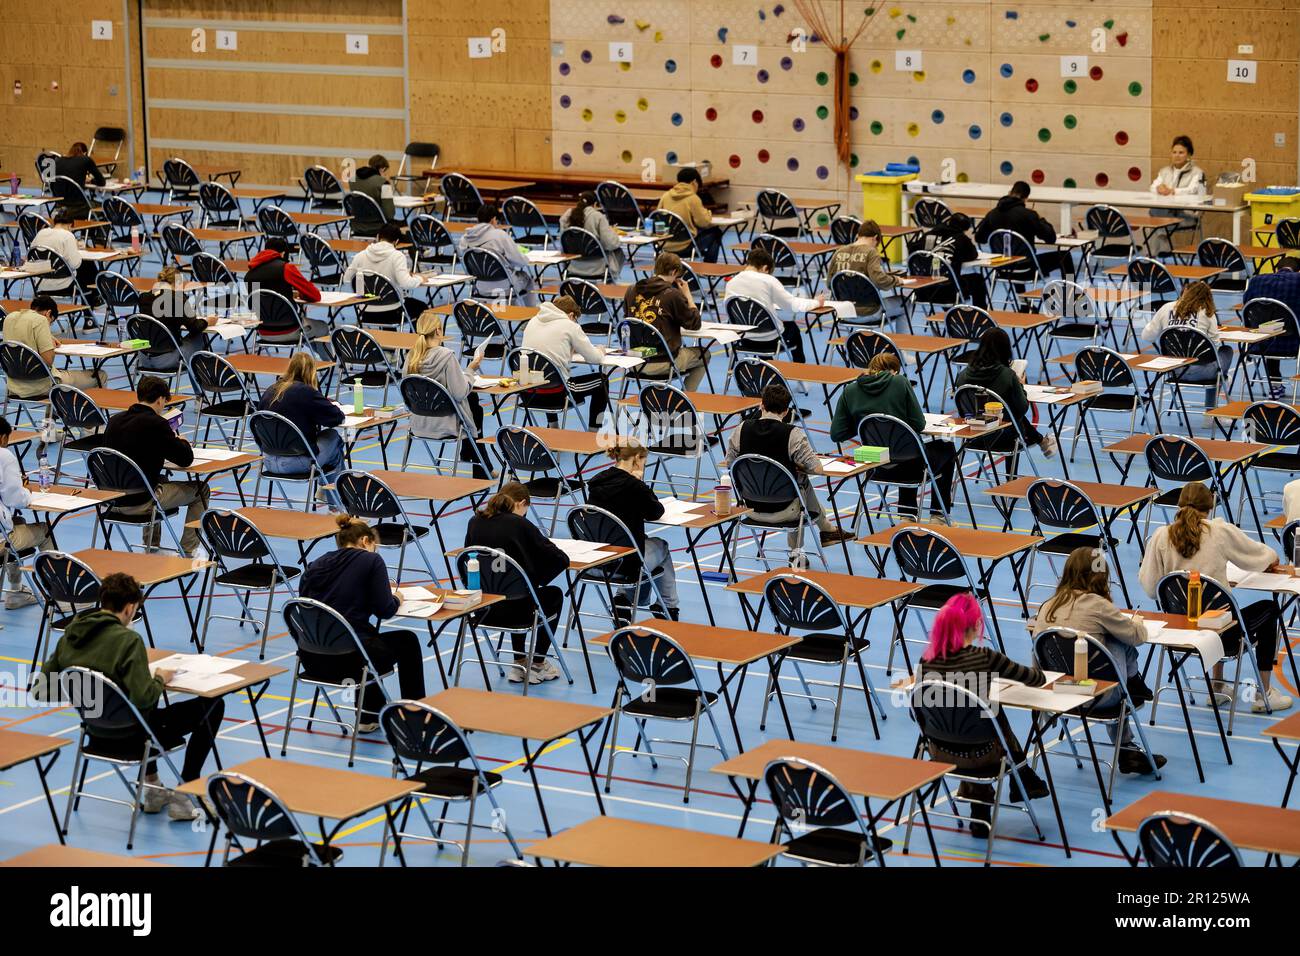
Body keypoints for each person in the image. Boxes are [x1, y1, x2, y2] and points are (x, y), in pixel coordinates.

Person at [38, 573, 221, 819]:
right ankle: (185, 792)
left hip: (94, 732)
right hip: (133, 737)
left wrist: (84, 687)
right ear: (129, 608)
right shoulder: (128, 640)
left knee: (142, 707)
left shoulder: (70, 636)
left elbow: (41, 690)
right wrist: (160, 679)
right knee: (213, 705)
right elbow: (144, 697)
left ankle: (153, 789)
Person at [1138, 481, 1293, 713]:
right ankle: (1265, 694)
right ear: (1210, 507)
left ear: (1179, 505)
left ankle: (1218, 686)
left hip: (1180, 629)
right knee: (1267, 610)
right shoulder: (1219, 531)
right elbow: (1261, 556)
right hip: (1222, 634)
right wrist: (1271, 559)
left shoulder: (1161, 536)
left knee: (1213, 605)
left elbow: (1151, 588)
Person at [916, 594, 1049, 838]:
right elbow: (1035, 679)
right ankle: (1020, 771)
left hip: (939, 752)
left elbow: (920, 716)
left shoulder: (926, 661)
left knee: (978, 716)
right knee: (990, 715)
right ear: (977, 624)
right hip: (982, 756)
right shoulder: (986, 657)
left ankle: (985, 804)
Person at [1032, 547, 1167, 775]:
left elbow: (1036, 654)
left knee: (1104, 641)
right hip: (1097, 695)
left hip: (1059, 692)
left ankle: (1132, 692)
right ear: (1100, 575)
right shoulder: (1098, 604)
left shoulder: (1048, 606)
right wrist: (1138, 624)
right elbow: (1137, 637)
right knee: (1118, 641)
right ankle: (1131, 698)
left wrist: (1040, 698)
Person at [297, 516, 426, 731]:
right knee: (405, 640)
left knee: (364, 638)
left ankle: (369, 716)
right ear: (366, 541)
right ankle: (416, 713)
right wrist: (397, 598)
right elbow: (385, 611)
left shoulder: (315, 565)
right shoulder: (371, 561)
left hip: (311, 659)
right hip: (351, 662)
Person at [725, 383, 853, 554]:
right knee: (800, 484)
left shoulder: (741, 430)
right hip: (786, 511)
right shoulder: (793, 434)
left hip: (749, 508)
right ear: (786, 412)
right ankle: (800, 551)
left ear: (761, 405)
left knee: (796, 482)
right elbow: (817, 469)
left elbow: (730, 464)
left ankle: (827, 530)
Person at [829, 353, 957, 519]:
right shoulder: (900, 382)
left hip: (875, 465)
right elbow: (919, 424)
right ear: (894, 372)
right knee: (945, 447)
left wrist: (865, 422)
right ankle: (938, 515)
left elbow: (837, 434)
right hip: (912, 466)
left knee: (903, 449)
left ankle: (907, 514)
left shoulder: (850, 390)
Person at [464, 483, 569, 683]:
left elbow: (469, 556)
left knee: (515, 588)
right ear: (521, 504)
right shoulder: (520, 524)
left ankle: (519, 661)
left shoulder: (474, 521)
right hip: (518, 609)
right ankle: (538, 663)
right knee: (551, 594)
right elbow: (560, 559)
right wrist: (537, 577)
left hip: (483, 606)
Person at [102, 375, 209, 556]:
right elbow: (185, 459)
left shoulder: (114, 421)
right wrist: (180, 441)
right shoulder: (156, 424)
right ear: (160, 400)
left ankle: (151, 545)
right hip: (141, 501)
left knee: (160, 479)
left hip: (111, 499)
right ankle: (188, 551)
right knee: (202, 490)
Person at [586, 439, 680, 623]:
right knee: (661, 546)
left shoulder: (596, 483)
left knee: (637, 545)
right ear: (637, 458)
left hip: (596, 562)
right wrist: (640, 482)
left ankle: (623, 600)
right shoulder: (633, 486)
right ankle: (668, 608)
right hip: (624, 566)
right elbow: (655, 512)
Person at [405, 309, 490, 479]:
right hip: (446, 425)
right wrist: (470, 370)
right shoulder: (446, 356)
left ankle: (477, 460)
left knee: (473, 402)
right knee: (473, 405)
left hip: (418, 423)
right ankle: (479, 464)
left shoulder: (411, 357)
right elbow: (459, 393)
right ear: (438, 330)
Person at [257, 352, 346, 512]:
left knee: (329, 450)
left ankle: (327, 491)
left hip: (268, 460)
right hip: (297, 464)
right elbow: (336, 418)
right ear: (311, 373)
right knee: (334, 439)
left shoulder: (270, 390)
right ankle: (335, 503)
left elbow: (257, 427)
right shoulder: (306, 392)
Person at [954, 328, 1058, 458]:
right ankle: (1041, 441)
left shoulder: (963, 375)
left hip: (972, 433)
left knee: (1003, 412)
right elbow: (1023, 408)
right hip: (1003, 436)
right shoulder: (1007, 375)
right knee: (1011, 414)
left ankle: (1041, 440)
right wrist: (1020, 385)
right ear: (1005, 350)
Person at [520, 294, 609, 429]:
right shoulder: (569, 325)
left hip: (527, 392)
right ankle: (593, 433)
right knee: (602, 381)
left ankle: (553, 425)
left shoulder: (533, 321)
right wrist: (601, 351)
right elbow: (595, 358)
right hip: (558, 394)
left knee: (544, 373)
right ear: (571, 315)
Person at [623, 251, 707, 390]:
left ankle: (660, 395)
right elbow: (695, 324)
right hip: (662, 361)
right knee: (704, 354)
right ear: (674, 271)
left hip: (634, 359)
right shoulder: (672, 295)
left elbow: (629, 320)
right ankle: (685, 400)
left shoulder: (631, 290)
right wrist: (687, 295)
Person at [1139, 280, 1231, 406]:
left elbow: (1146, 336)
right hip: (1203, 372)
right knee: (1226, 352)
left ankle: (1222, 380)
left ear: (1184, 292)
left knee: (1220, 370)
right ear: (1207, 298)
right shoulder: (1207, 312)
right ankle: (1211, 411)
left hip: (1173, 370)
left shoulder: (1166, 308)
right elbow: (1215, 346)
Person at [723, 247, 820, 363]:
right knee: (792, 328)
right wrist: (816, 302)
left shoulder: (731, 283)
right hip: (770, 340)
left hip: (744, 339)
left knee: (761, 325)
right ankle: (800, 367)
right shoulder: (768, 280)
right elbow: (792, 305)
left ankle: (768, 366)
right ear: (765, 268)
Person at [1, 295, 105, 399]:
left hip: (14, 387)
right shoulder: (41, 320)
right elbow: (48, 360)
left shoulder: (10, 318)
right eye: (50, 323)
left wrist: (47, 337)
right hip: (41, 386)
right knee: (101, 375)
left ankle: (55, 413)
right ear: (48, 313)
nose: (48, 326)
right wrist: (48, 341)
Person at [0, 416, 50, 609]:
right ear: (4, 438)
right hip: (2, 542)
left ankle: (16, 592)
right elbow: (15, 498)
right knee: (45, 530)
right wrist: (27, 494)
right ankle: (59, 594)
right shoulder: (4, 456)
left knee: (17, 520)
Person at [974, 180, 1068, 278]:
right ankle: (1070, 290)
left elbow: (979, 238)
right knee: (1065, 257)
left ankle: (1020, 292)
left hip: (1001, 269)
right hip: (1026, 269)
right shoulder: (1029, 215)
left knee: (1016, 256)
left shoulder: (992, 214)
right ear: (1026, 198)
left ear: (1010, 193)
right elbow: (1051, 238)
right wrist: (1040, 219)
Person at [246, 238, 324, 345]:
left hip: (262, 331)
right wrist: (300, 293)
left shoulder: (250, 274)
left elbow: (254, 304)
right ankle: (328, 361)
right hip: (290, 329)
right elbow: (315, 296)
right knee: (323, 327)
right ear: (283, 254)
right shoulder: (286, 268)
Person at [342, 222, 424, 323]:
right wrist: (419, 279)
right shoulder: (397, 256)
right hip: (393, 311)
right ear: (396, 241)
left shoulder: (361, 255)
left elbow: (346, 279)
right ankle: (416, 338)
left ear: (377, 237)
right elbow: (406, 283)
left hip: (366, 311)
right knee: (422, 308)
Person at [458, 203, 538, 306]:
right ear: (493, 219)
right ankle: (530, 315)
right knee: (526, 279)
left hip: (479, 287)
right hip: (504, 286)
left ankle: (508, 311)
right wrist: (526, 258)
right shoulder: (500, 235)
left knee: (511, 283)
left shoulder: (464, 239)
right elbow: (519, 261)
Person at [1243, 255, 1300, 399]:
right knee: (1284, 326)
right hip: (1293, 343)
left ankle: (1274, 386)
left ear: (1276, 269)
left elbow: (1246, 305)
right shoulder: (1298, 281)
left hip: (1261, 343)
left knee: (1271, 325)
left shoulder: (1256, 281)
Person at [136, 265, 215, 370]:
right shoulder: (177, 298)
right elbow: (195, 327)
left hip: (143, 358)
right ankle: (205, 379)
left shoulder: (143, 298)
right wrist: (207, 321)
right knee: (201, 336)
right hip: (169, 359)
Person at [826, 219, 904, 320]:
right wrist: (897, 280)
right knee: (906, 303)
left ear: (858, 235)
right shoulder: (871, 252)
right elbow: (879, 280)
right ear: (875, 238)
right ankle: (901, 336)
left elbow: (829, 284)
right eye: (876, 245)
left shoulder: (838, 252)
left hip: (844, 312)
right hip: (869, 311)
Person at [1148, 135, 1207, 257]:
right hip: (1166, 214)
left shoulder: (1198, 172)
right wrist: (1159, 188)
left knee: (1156, 222)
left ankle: (1156, 252)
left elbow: (1193, 190)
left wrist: (1172, 191)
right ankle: (1155, 254)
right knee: (1153, 212)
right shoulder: (1164, 171)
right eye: (1174, 152)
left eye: (1181, 152)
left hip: (1187, 215)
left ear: (1189, 155)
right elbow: (1153, 187)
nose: (1177, 155)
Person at [31, 208, 100, 304]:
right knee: (87, 266)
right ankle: (93, 302)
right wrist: (75, 249)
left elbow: (30, 257)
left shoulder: (41, 233)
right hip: (63, 285)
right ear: (70, 225)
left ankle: (96, 298)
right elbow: (75, 264)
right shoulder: (68, 236)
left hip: (40, 283)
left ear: (54, 223)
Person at [921, 212, 989, 309]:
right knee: (977, 279)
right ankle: (981, 314)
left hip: (922, 290)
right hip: (947, 291)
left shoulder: (926, 235)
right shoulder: (960, 238)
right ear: (963, 229)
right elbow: (972, 255)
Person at [656, 167, 722, 262]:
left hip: (664, 243)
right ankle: (709, 268)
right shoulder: (693, 199)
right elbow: (704, 222)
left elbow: (658, 217)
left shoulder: (665, 196)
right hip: (685, 245)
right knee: (716, 233)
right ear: (694, 182)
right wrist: (708, 213)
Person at [559, 190, 625, 279]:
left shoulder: (566, 216)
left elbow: (563, 242)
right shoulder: (597, 216)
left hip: (572, 265)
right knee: (618, 251)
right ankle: (611, 279)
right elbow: (611, 243)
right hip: (597, 267)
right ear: (595, 204)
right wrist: (613, 233)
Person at [50, 142, 104, 218]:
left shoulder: (57, 161)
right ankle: (91, 229)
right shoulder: (86, 159)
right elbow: (102, 182)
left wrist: (80, 179)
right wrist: (91, 181)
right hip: (79, 206)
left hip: (60, 205)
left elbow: (50, 182)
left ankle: (86, 229)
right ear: (85, 153)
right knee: (105, 207)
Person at [350, 154, 396, 237]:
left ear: (369, 165)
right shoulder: (383, 183)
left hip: (356, 226)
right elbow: (390, 215)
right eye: (386, 172)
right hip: (378, 228)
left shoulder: (352, 180)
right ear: (382, 169)